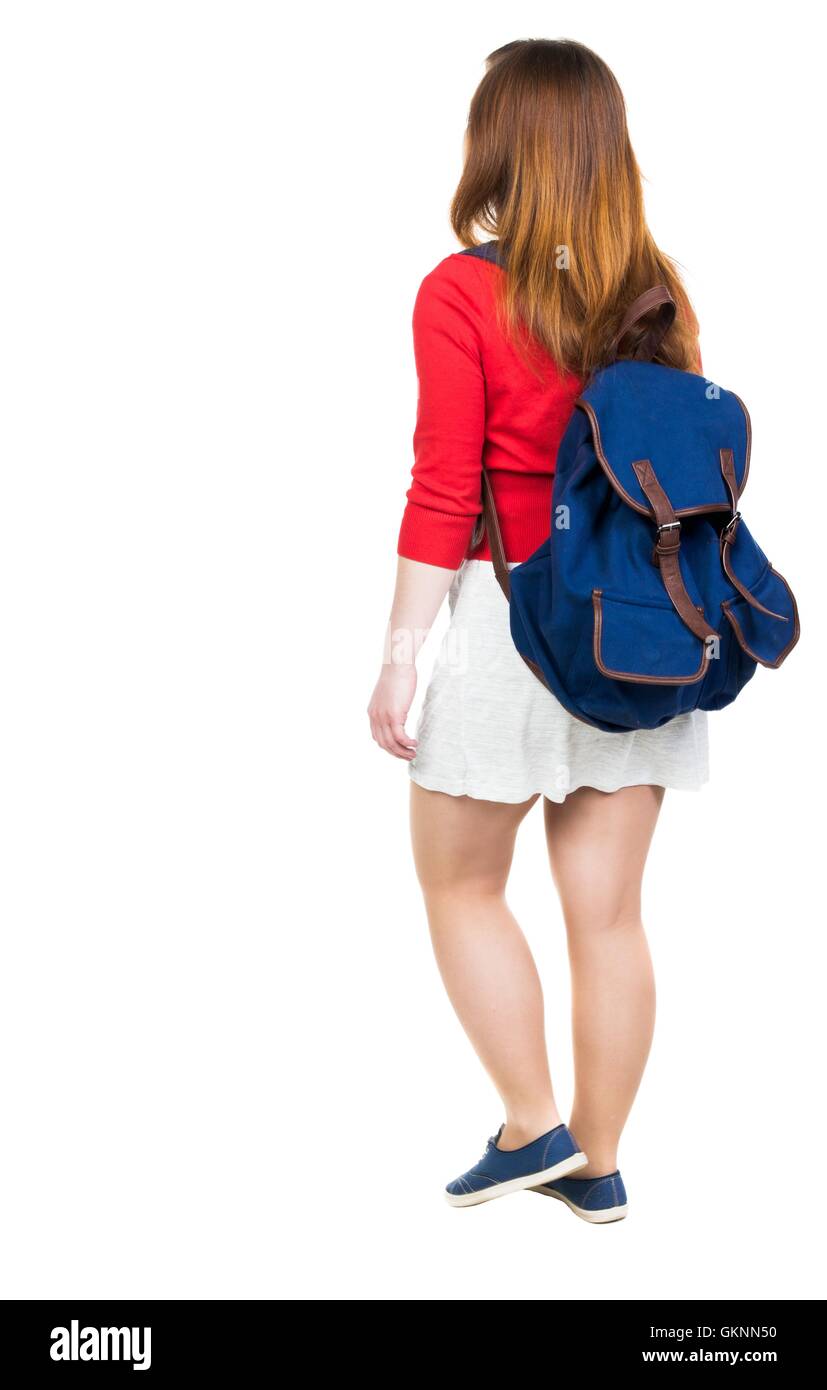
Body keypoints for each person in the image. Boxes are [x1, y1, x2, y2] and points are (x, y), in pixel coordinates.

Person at [367, 38, 706, 1223]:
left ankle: (530, 1125)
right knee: (607, 912)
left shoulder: (462, 291)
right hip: (643, 633)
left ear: (496, 142)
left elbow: (443, 486)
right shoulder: (651, 283)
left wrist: (400, 663)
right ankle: (598, 1164)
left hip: (511, 630)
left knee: (458, 884)